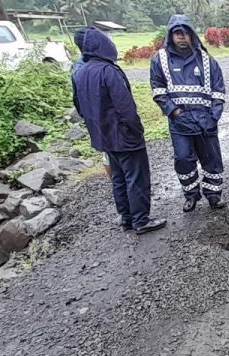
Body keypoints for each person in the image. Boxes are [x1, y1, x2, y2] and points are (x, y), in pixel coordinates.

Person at [72, 28, 167, 234]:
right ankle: (141, 220)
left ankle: (126, 217)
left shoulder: (80, 72)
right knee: (136, 177)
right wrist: (137, 129)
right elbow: (126, 107)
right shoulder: (109, 71)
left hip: (102, 136)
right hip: (124, 135)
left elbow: (79, 107)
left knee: (118, 178)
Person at [150, 14, 227, 212]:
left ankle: (213, 196)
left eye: (185, 33)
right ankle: (191, 195)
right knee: (183, 159)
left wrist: (214, 116)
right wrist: (174, 112)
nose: (181, 37)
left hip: (205, 121)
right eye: (177, 33)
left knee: (212, 159)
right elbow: (158, 90)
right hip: (180, 123)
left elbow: (218, 91)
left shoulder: (207, 61)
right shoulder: (160, 60)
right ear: (171, 35)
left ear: (191, 35)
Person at [71, 28, 114, 181]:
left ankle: (118, 185)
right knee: (110, 153)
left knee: (108, 153)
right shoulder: (86, 68)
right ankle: (117, 184)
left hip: (97, 118)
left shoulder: (79, 67)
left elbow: (77, 101)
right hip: (104, 118)